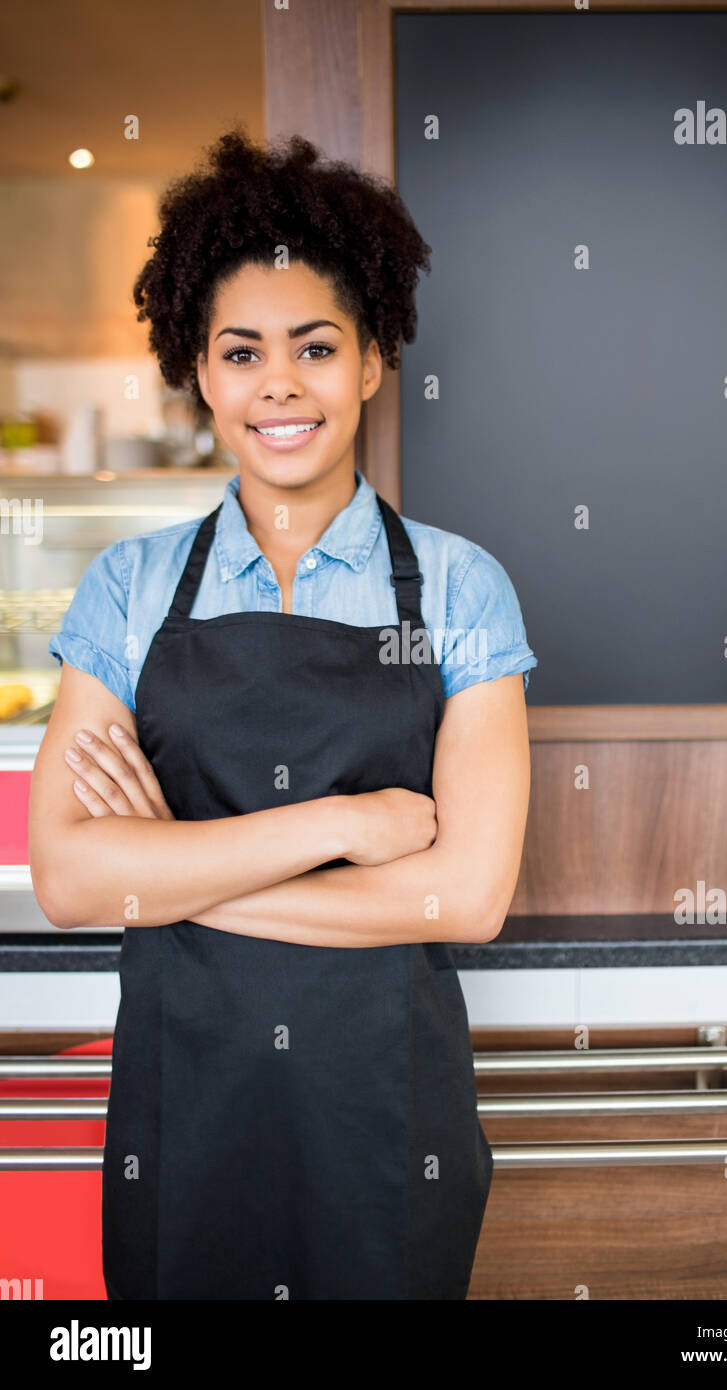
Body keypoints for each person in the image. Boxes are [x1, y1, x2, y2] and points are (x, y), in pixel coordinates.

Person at [29, 128, 537, 1301]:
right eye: (241, 350)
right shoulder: (131, 586)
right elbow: (67, 878)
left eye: (315, 347)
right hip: (185, 1113)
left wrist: (169, 874)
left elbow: (464, 896)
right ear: (199, 372)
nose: (279, 384)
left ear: (369, 361)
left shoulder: (460, 588)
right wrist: (345, 822)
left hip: (386, 1114)